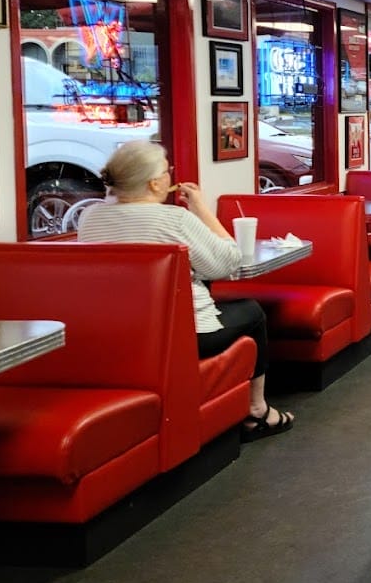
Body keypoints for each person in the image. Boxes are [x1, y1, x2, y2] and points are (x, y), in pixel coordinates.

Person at [77, 140, 293, 442]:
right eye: (167, 171)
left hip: (120, 335)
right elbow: (227, 262)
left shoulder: (90, 218)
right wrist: (201, 208)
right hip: (183, 335)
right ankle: (257, 410)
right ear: (155, 183)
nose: (170, 176)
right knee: (252, 311)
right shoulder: (174, 219)